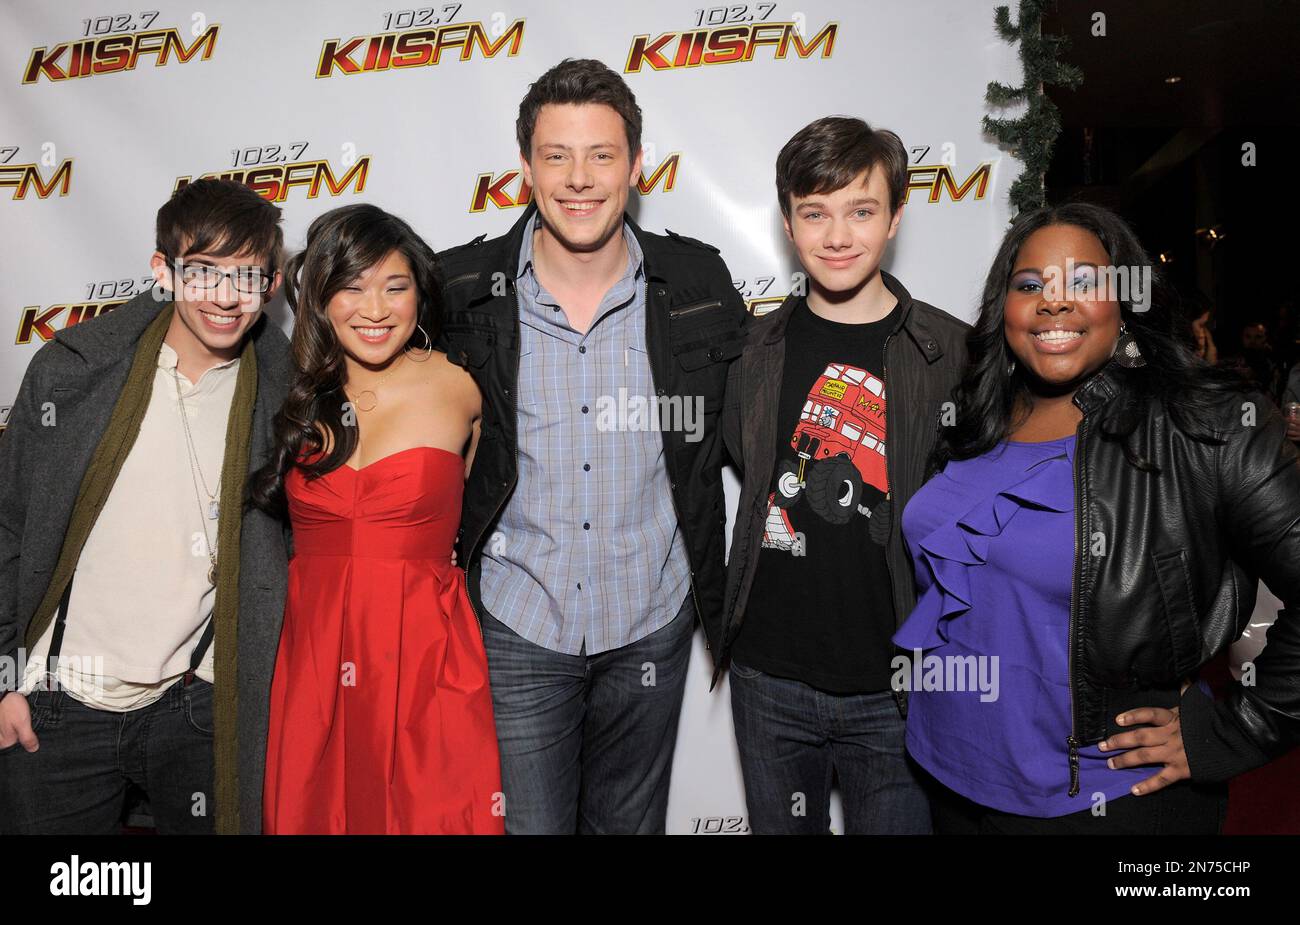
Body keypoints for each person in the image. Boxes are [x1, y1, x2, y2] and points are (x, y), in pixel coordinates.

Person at [894, 202, 1300, 834]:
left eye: (1083, 282)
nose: (1054, 304)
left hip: (1100, 797)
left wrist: (1237, 731)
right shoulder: (975, 417)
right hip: (943, 772)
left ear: (1127, 303)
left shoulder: (1204, 426)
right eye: (1031, 286)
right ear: (1006, 307)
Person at [436, 58, 746, 834]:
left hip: (651, 617)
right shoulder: (462, 290)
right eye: (557, 155)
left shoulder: (698, 282)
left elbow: (755, 429)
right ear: (524, 170)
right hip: (516, 624)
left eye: (601, 155)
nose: (580, 178)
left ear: (636, 167)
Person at [0, 178, 292, 834]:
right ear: (163, 270)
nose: (225, 295)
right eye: (204, 271)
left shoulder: (286, 397)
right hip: (57, 704)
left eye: (247, 275)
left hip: (201, 705)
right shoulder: (72, 374)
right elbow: (8, 523)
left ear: (271, 286)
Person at [716, 116, 969, 834]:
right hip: (768, 680)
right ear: (789, 223)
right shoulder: (752, 351)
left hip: (896, 685)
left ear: (894, 218)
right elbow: (747, 466)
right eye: (815, 212)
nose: (838, 235)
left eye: (861, 210)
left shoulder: (952, 352)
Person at [251, 204, 502, 834]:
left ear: (420, 295)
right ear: (319, 297)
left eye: (396, 287)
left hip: (426, 653)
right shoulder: (291, 391)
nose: (376, 309)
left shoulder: (466, 385)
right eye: (352, 288)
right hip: (316, 655)